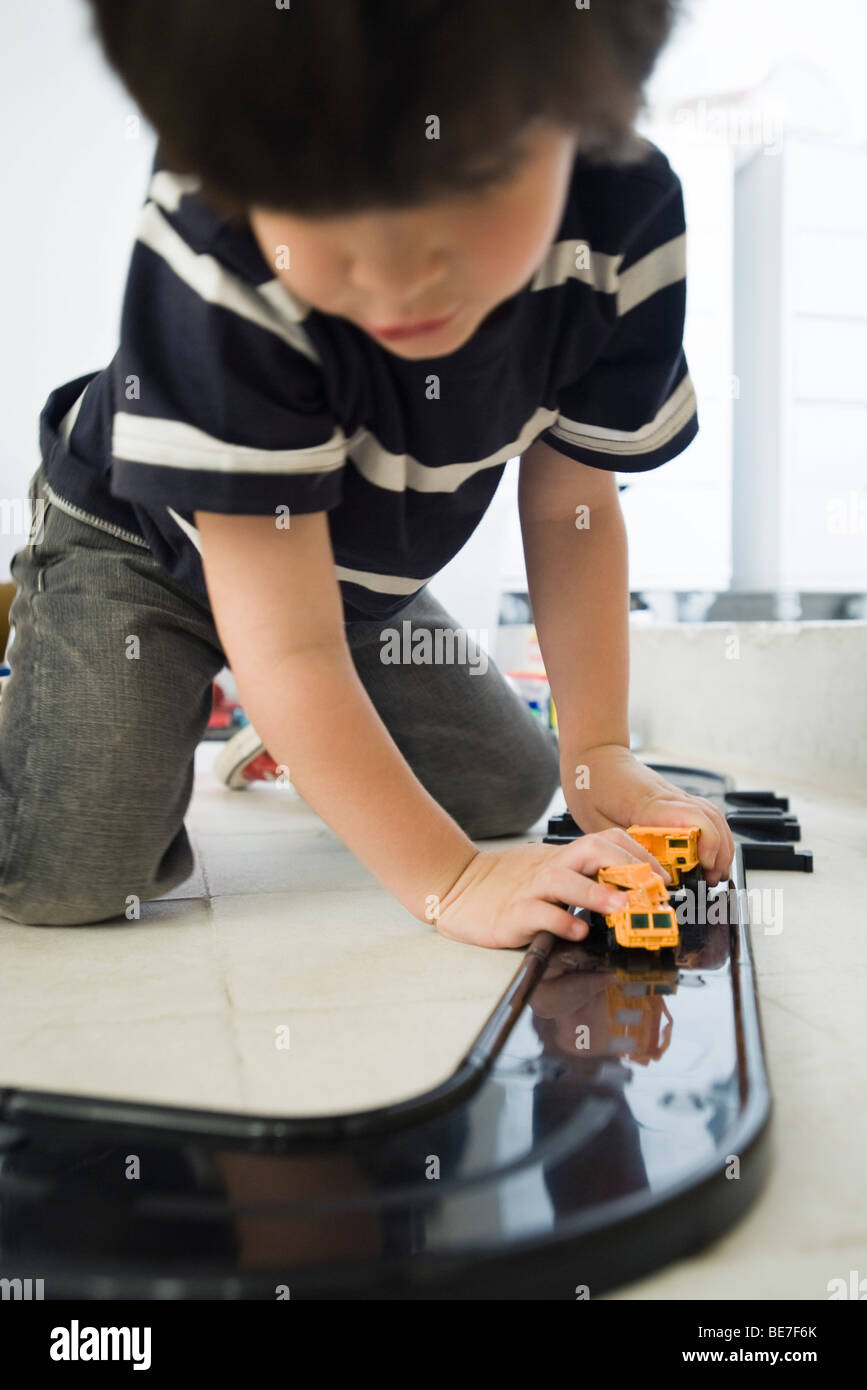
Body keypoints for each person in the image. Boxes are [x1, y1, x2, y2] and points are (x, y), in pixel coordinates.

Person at [0, 0, 733, 941]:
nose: (393, 280)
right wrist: (452, 882)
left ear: (585, 110)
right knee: (72, 877)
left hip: (339, 586)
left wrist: (596, 750)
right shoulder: (209, 241)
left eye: (466, 187)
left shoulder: (625, 219)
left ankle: (287, 724)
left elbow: (570, 508)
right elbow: (289, 646)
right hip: (139, 543)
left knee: (510, 788)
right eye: (319, 214)